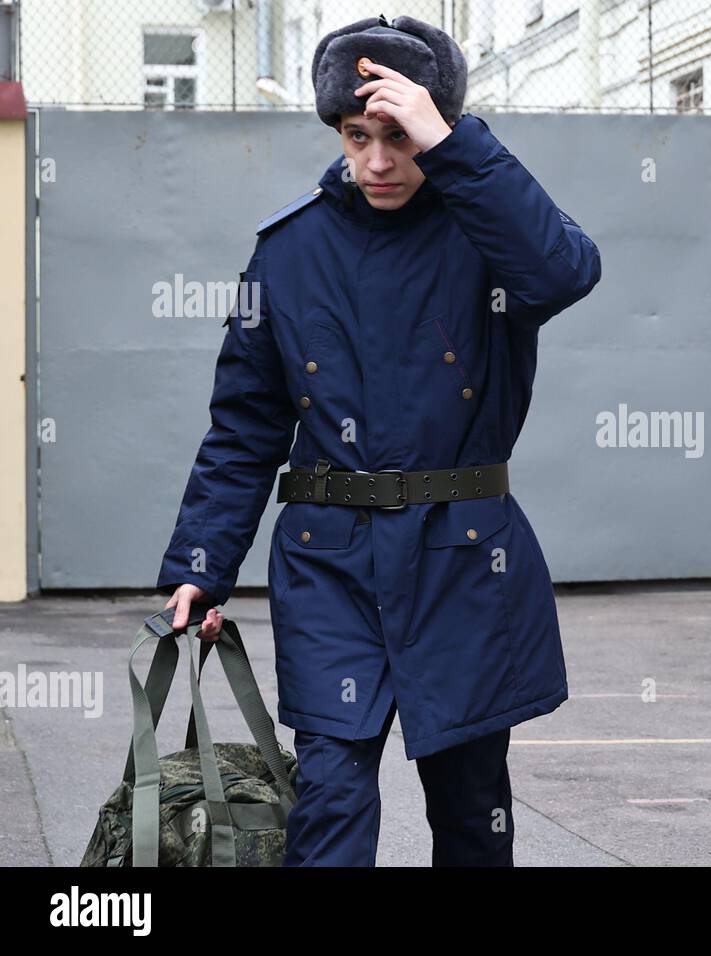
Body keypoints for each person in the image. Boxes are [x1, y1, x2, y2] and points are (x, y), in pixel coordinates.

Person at [155, 14, 601, 866]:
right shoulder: (287, 253)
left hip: (465, 558)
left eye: (400, 136)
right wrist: (200, 569)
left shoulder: (492, 230)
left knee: (472, 807)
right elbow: (245, 425)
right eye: (358, 136)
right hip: (331, 563)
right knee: (330, 799)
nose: (379, 160)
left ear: (436, 130)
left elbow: (566, 272)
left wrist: (456, 144)